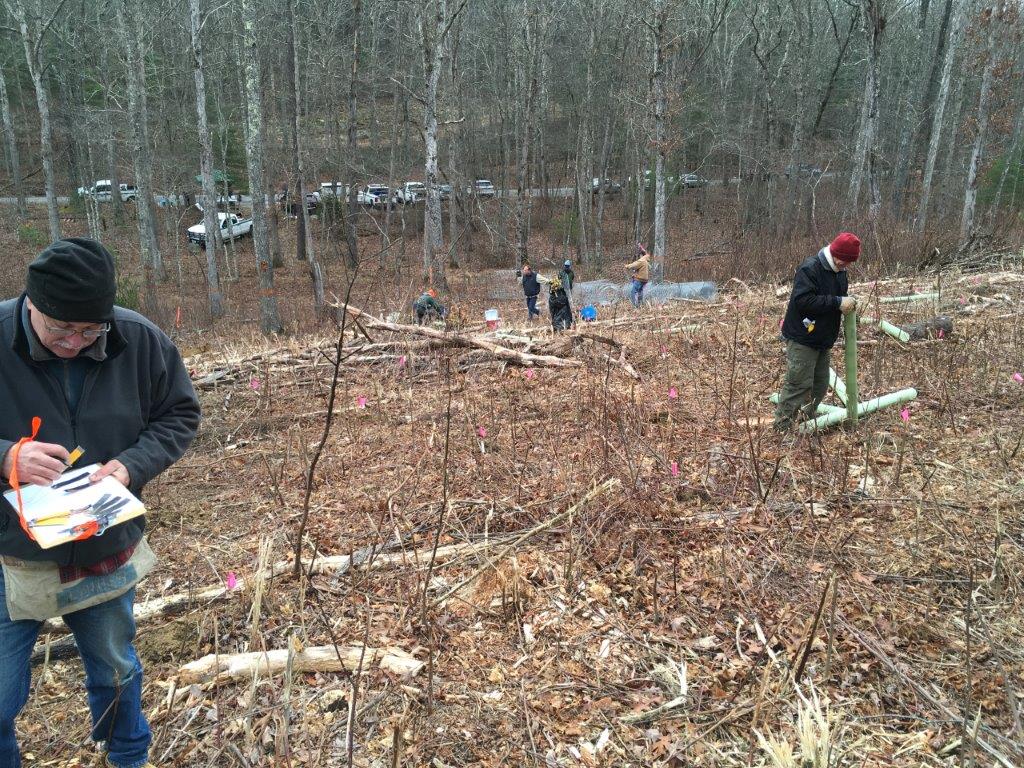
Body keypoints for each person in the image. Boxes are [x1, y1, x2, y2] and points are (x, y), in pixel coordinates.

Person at [0, 238, 201, 768]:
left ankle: (127, 756)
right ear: (31, 305)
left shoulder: (138, 339)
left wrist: (133, 465)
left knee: (116, 670)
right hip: (10, 551)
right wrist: (5, 459)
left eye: (89, 330)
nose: (73, 341)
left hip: (103, 542)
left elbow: (179, 415)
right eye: (60, 329)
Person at [774, 232, 860, 431]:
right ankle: (783, 427)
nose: (846, 265)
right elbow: (803, 301)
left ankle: (806, 421)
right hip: (803, 337)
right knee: (798, 384)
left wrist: (846, 302)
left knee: (820, 383)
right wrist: (837, 302)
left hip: (822, 338)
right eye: (844, 260)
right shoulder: (810, 268)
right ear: (835, 253)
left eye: (849, 262)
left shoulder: (840, 272)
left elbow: (836, 299)